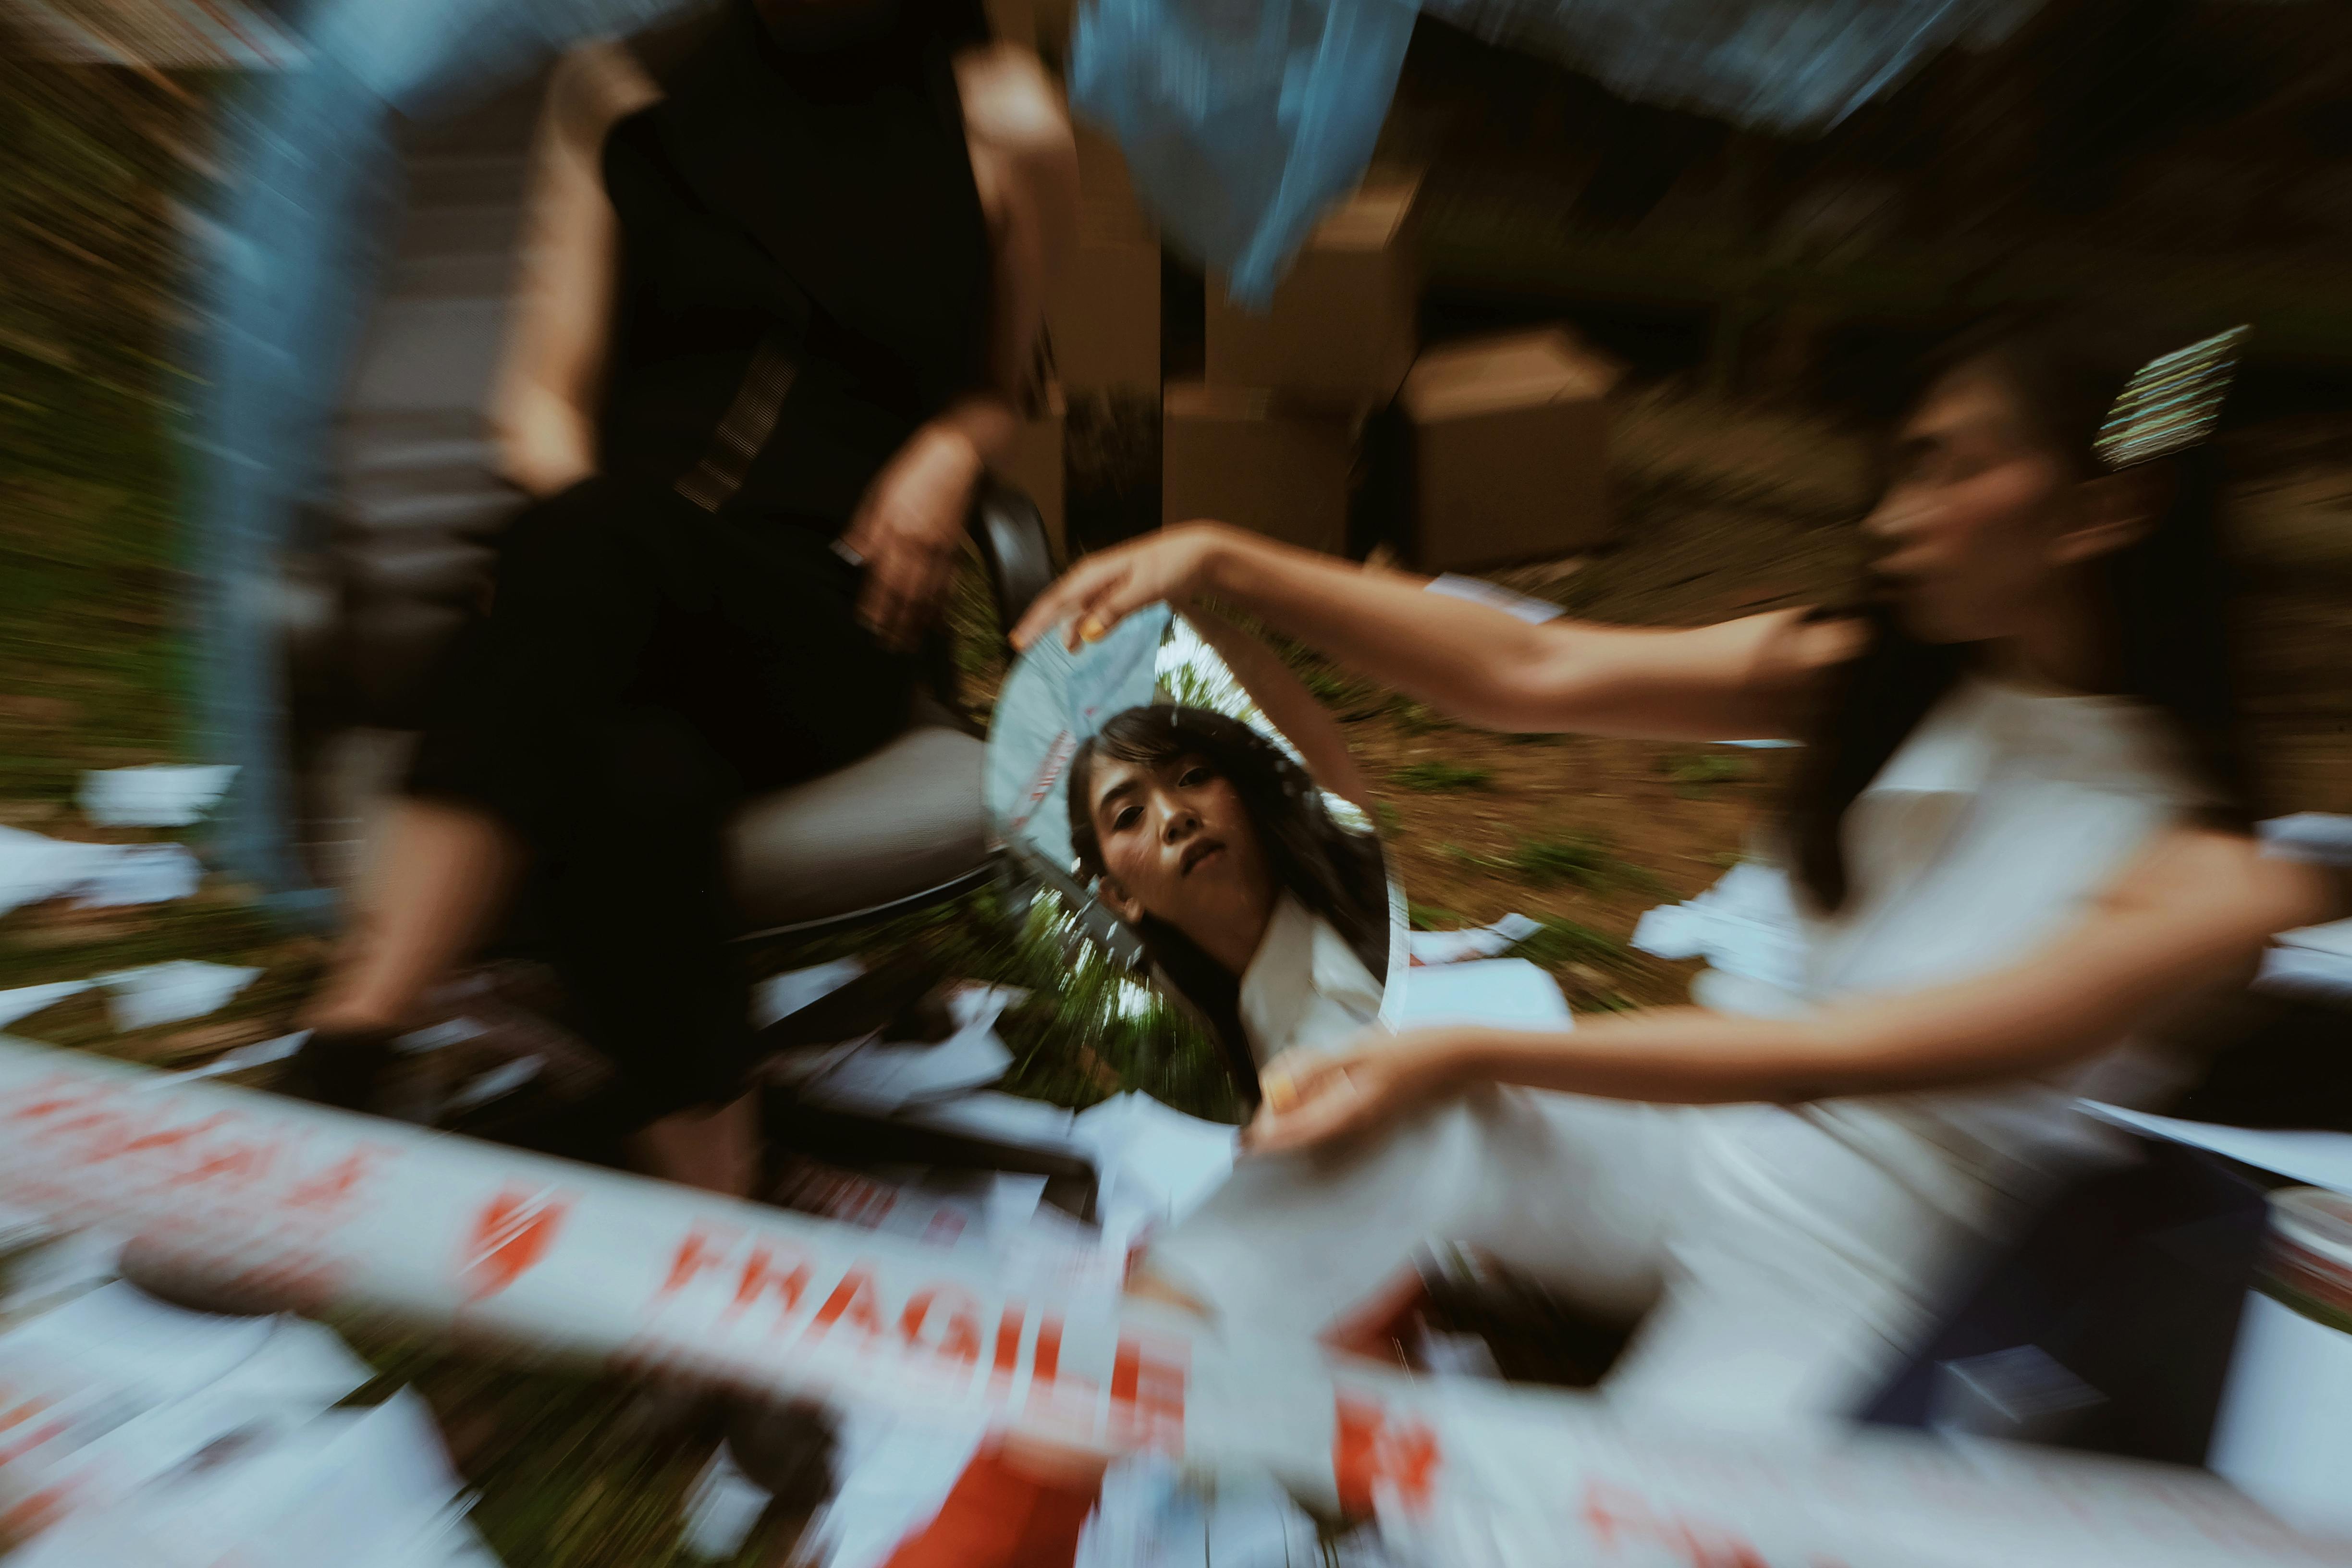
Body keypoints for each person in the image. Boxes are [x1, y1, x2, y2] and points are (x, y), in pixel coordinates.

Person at [287, 0, 1078, 1196]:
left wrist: (951, 451)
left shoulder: (1014, 122)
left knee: (591, 588)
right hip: (600, 589)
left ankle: (349, 1046)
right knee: (626, 766)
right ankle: (723, 1208)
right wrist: (600, 559)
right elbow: (539, 403)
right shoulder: (618, 90)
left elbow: (998, 382)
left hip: (825, 623)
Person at [1066, 704, 1392, 1098]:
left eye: (1193, 777)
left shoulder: (1393, 897)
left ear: (1245, 794)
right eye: (1129, 815)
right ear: (1120, 896)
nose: (1174, 816)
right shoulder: (1231, 1092)